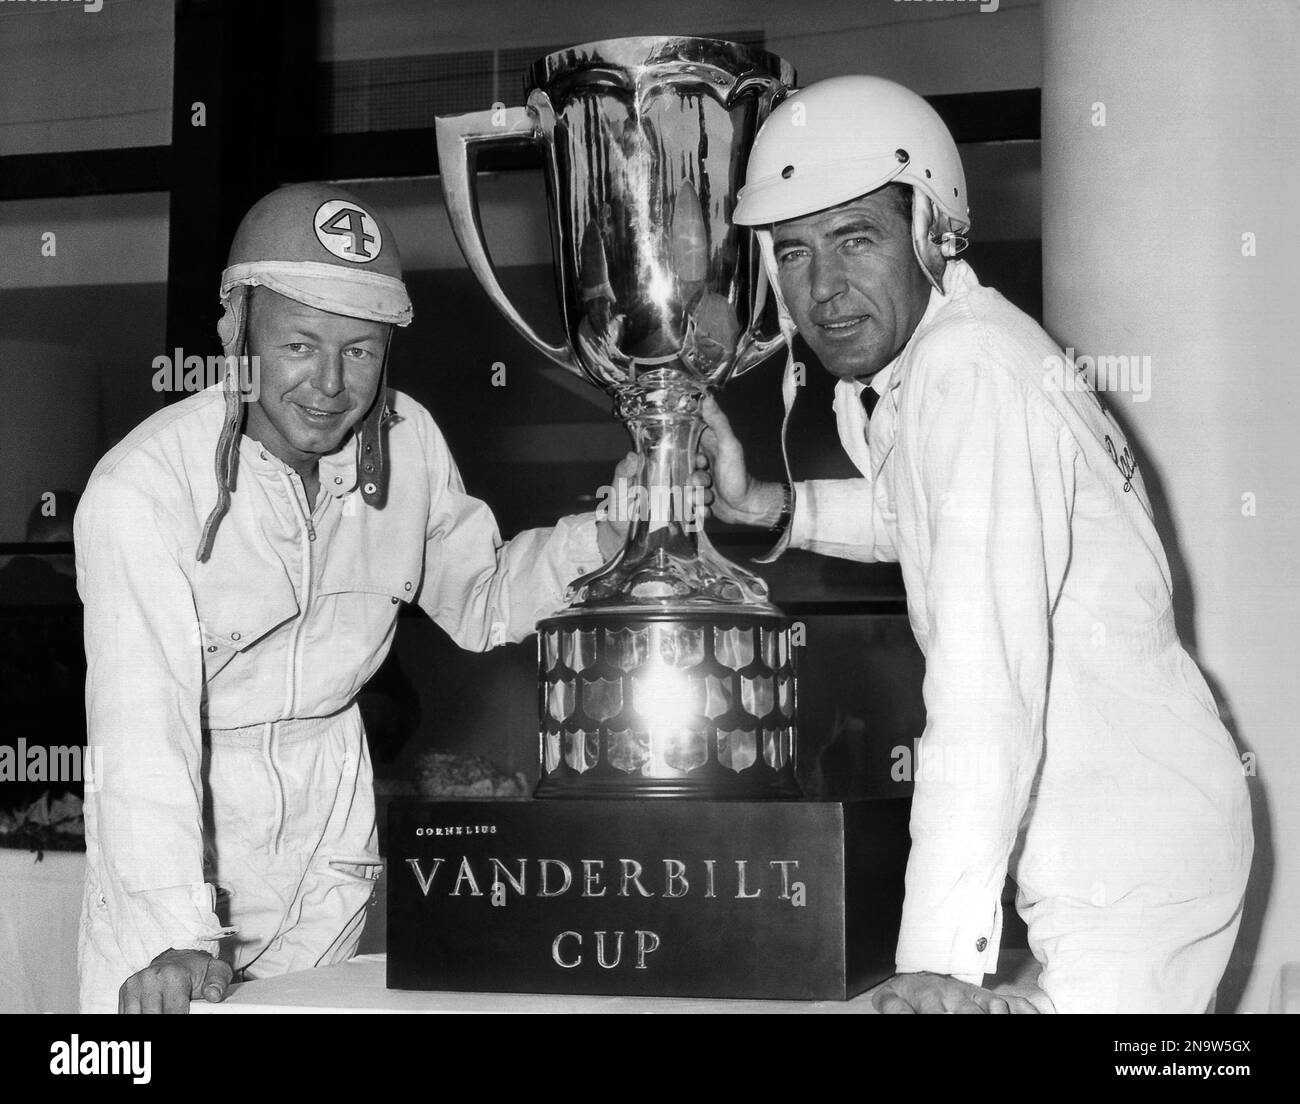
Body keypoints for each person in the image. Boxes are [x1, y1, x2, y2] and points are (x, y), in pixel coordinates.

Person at [699, 76, 1252, 1013]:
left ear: (931, 232)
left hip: (1125, 863)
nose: (822, 288)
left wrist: (937, 960)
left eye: (856, 238)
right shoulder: (958, 356)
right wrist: (771, 506)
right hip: (1118, 841)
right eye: (793, 251)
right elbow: (925, 519)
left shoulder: (971, 372)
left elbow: (985, 681)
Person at [75, 183, 644, 1013]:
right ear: (238, 333)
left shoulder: (407, 445)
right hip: (182, 824)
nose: (331, 385)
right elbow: (141, 731)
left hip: (331, 822)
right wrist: (171, 931)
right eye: (300, 345)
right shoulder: (144, 488)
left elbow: (485, 600)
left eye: (361, 351)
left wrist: (613, 532)